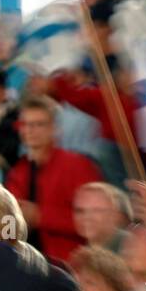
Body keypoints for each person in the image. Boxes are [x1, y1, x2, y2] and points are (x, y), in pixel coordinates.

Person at [6, 95, 102, 265]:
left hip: (72, 264)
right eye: (26, 124)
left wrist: (40, 216)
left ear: (55, 129)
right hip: (27, 265)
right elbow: (8, 230)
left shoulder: (78, 165)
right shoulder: (17, 172)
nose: (30, 130)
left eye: (39, 124)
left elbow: (97, 222)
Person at [72, 182, 132, 255]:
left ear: (114, 215)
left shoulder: (132, 247)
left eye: (96, 210)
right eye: (80, 210)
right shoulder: (86, 252)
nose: (86, 217)